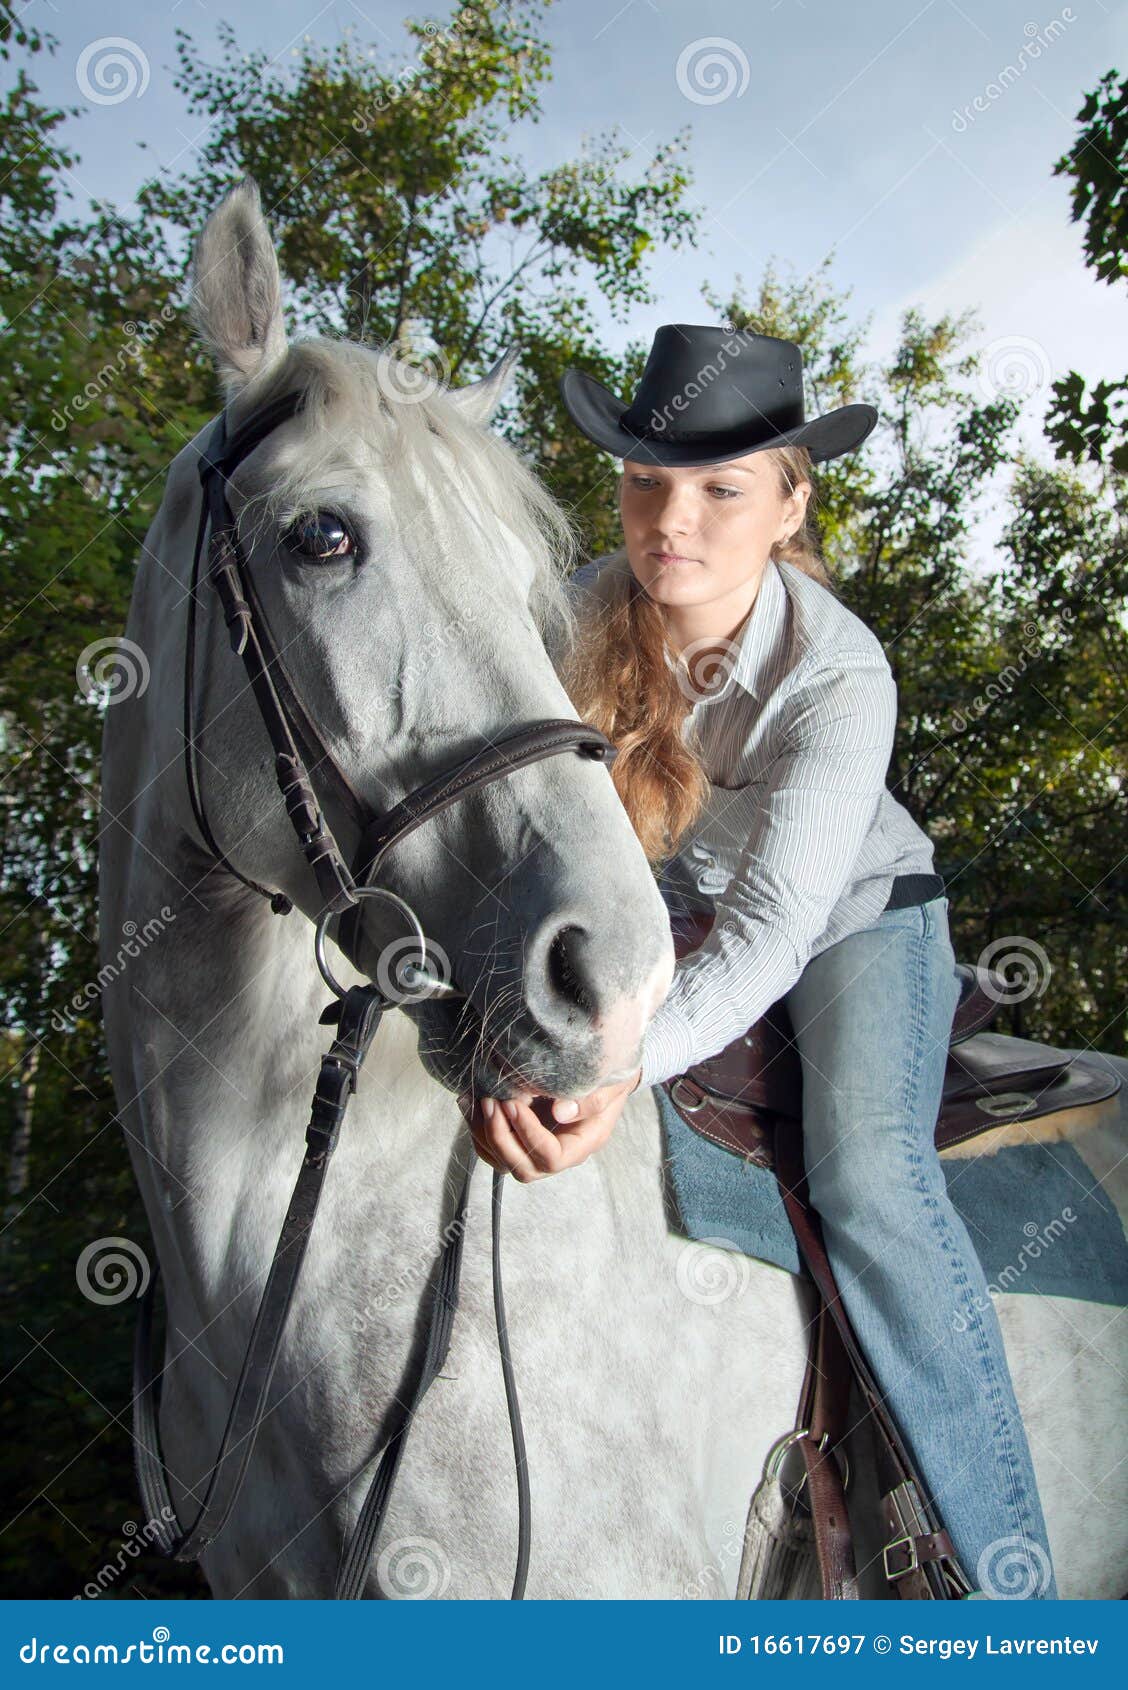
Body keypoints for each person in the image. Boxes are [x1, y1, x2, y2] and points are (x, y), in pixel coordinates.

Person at [459, 323, 1057, 1599]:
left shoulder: (839, 673)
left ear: (791, 502)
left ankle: (1006, 1582)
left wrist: (615, 1065)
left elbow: (772, 933)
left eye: (723, 488)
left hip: (850, 919)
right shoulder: (566, 619)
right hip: (658, 903)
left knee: (867, 1174)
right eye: (644, 481)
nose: (672, 518)